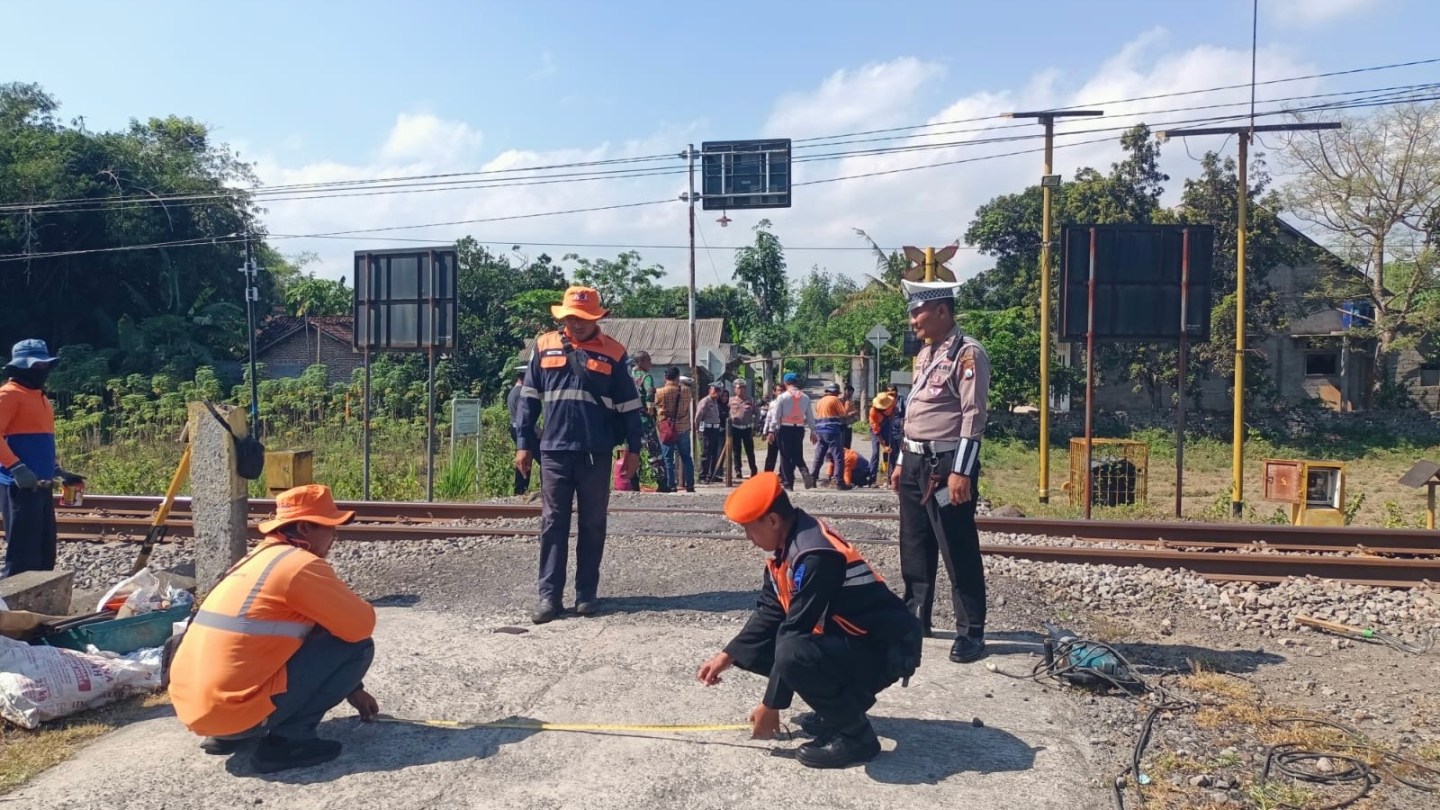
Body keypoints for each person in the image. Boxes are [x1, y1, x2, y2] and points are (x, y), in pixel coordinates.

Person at [696, 472, 922, 768]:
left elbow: (794, 631)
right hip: (857, 640)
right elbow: (771, 610)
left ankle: (856, 737)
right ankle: (839, 710)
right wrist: (727, 656)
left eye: (748, 530)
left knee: (792, 654)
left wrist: (771, 705)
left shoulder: (815, 555)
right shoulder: (788, 545)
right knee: (755, 651)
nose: (748, 539)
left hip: (886, 649)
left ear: (773, 520)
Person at [168, 484, 379, 774]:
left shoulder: (253, 560)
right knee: (358, 645)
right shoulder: (300, 566)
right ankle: (288, 743)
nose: (335, 536)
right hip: (236, 714)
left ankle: (227, 734)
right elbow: (360, 626)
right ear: (305, 527)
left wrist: (353, 690)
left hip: (199, 712)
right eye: (331, 528)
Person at [516, 286, 643, 624]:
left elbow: (631, 406)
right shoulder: (543, 346)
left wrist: (634, 448)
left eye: (585, 317)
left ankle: (586, 594)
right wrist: (523, 444)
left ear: (597, 317)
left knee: (592, 523)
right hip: (554, 451)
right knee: (552, 523)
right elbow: (528, 398)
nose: (578, 323)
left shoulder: (614, 353)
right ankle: (549, 597)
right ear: (564, 316)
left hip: (595, 452)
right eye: (572, 316)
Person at [889, 280, 991, 664]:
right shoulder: (925, 354)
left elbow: (972, 416)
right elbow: (916, 412)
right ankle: (916, 618)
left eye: (918, 311)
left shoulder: (968, 354)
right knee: (914, 544)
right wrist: (901, 461)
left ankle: (971, 631)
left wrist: (961, 472)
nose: (912, 319)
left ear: (942, 312)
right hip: (916, 461)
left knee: (957, 546)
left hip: (947, 464)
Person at [0, 339, 83, 578]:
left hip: (41, 484)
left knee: (44, 553)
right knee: (22, 556)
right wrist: (16, 467)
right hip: (19, 486)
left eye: (43, 366)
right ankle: (10, 609)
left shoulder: (41, 398)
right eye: (35, 366)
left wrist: (59, 471)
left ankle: (39, 608)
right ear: (19, 367)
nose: (41, 371)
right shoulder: (8, 395)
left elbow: (40, 442)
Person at [629, 351, 669, 492]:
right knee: (654, 452)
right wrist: (650, 408)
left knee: (633, 451)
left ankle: (633, 484)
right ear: (640, 362)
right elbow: (650, 392)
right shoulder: (646, 377)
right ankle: (662, 483)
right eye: (648, 361)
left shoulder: (628, 376)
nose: (650, 364)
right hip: (644, 419)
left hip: (630, 420)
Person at [770, 373, 817, 491]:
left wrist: (771, 430)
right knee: (797, 454)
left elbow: (776, 415)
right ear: (797, 383)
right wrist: (813, 431)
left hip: (785, 429)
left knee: (785, 457)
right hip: (799, 429)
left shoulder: (782, 397)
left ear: (786, 383)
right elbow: (810, 416)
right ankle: (805, 472)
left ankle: (788, 484)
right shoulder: (805, 397)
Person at [655, 366, 695, 493]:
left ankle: (671, 485)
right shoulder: (687, 391)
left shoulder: (660, 392)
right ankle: (690, 485)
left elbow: (655, 405)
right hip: (683, 427)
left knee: (668, 458)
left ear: (665, 377)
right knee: (686, 457)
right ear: (678, 377)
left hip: (667, 428)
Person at [810, 383, 849, 489]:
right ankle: (839, 482)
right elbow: (843, 414)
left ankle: (812, 479)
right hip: (832, 431)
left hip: (820, 431)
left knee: (819, 456)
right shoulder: (835, 400)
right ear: (836, 392)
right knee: (838, 457)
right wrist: (847, 404)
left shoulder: (820, 401)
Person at [728, 379, 760, 480]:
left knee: (749, 451)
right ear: (734, 389)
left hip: (747, 429)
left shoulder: (750, 400)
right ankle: (738, 471)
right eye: (738, 388)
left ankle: (753, 470)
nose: (741, 390)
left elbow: (757, 413)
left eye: (742, 388)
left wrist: (755, 426)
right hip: (735, 428)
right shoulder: (730, 401)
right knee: (736, 451)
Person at [505, 368, 530, 495]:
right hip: (522, 429)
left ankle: (520, 489)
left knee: (524, 458)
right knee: (541, 458)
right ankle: (521, 489)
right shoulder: (521, 393)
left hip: (515, 427)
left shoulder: (512, 392)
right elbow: (525, 414)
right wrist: (537, 430)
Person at [868, 392, 898, 489]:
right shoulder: (873, 412)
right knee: (875, 453)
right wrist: (884, 446)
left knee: (891, 452)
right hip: (876, 430)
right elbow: (876, 432)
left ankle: (891, 478)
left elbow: (895, 408)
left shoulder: (892, 401)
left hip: (887, 424)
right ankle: (872, 479)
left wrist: (892, 415)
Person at [697, 382, 725, 484]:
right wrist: (697, 429)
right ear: (710, 390)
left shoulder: (715, 402)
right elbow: (698, 416)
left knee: (714, 453)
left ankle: (711, 475)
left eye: (719, 391)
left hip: (715, 429)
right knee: (706, 453)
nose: (717, 393)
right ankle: (702, 476)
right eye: (715, 390)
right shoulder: (705, 401)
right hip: (706, 430)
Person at [841, 384, 858, 450]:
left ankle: (847, 458)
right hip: (841, 425)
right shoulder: (840, 400)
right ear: (846, 391)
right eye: (850, 393)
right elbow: (841, 414)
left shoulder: (850, 401)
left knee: (848, 444)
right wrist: (851, 414)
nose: (851, 395)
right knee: (842, 443)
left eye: (852, 394)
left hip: (848, 425)